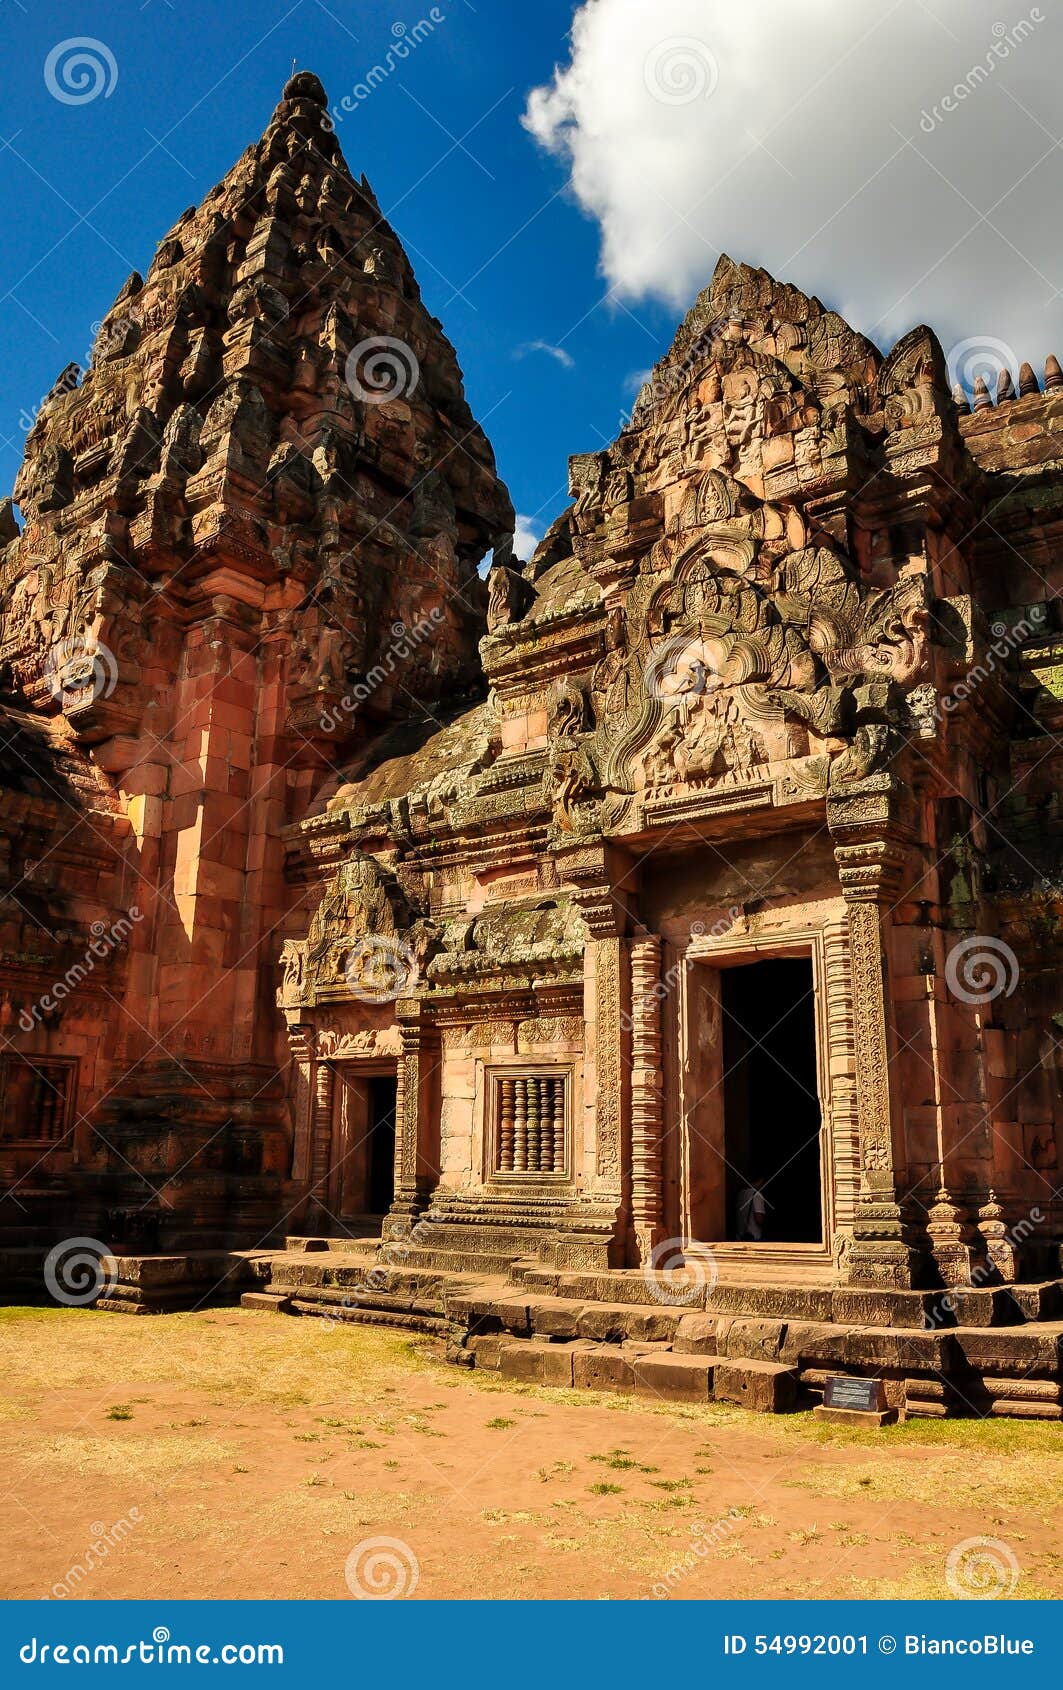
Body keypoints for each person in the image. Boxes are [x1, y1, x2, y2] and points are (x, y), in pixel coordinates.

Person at [735, 1176, 768, 1241]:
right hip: (753, 1237)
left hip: (740, 1237)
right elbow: (759, 1219)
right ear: (760, 1181)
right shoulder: (757, 1195)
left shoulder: (740, 1194)